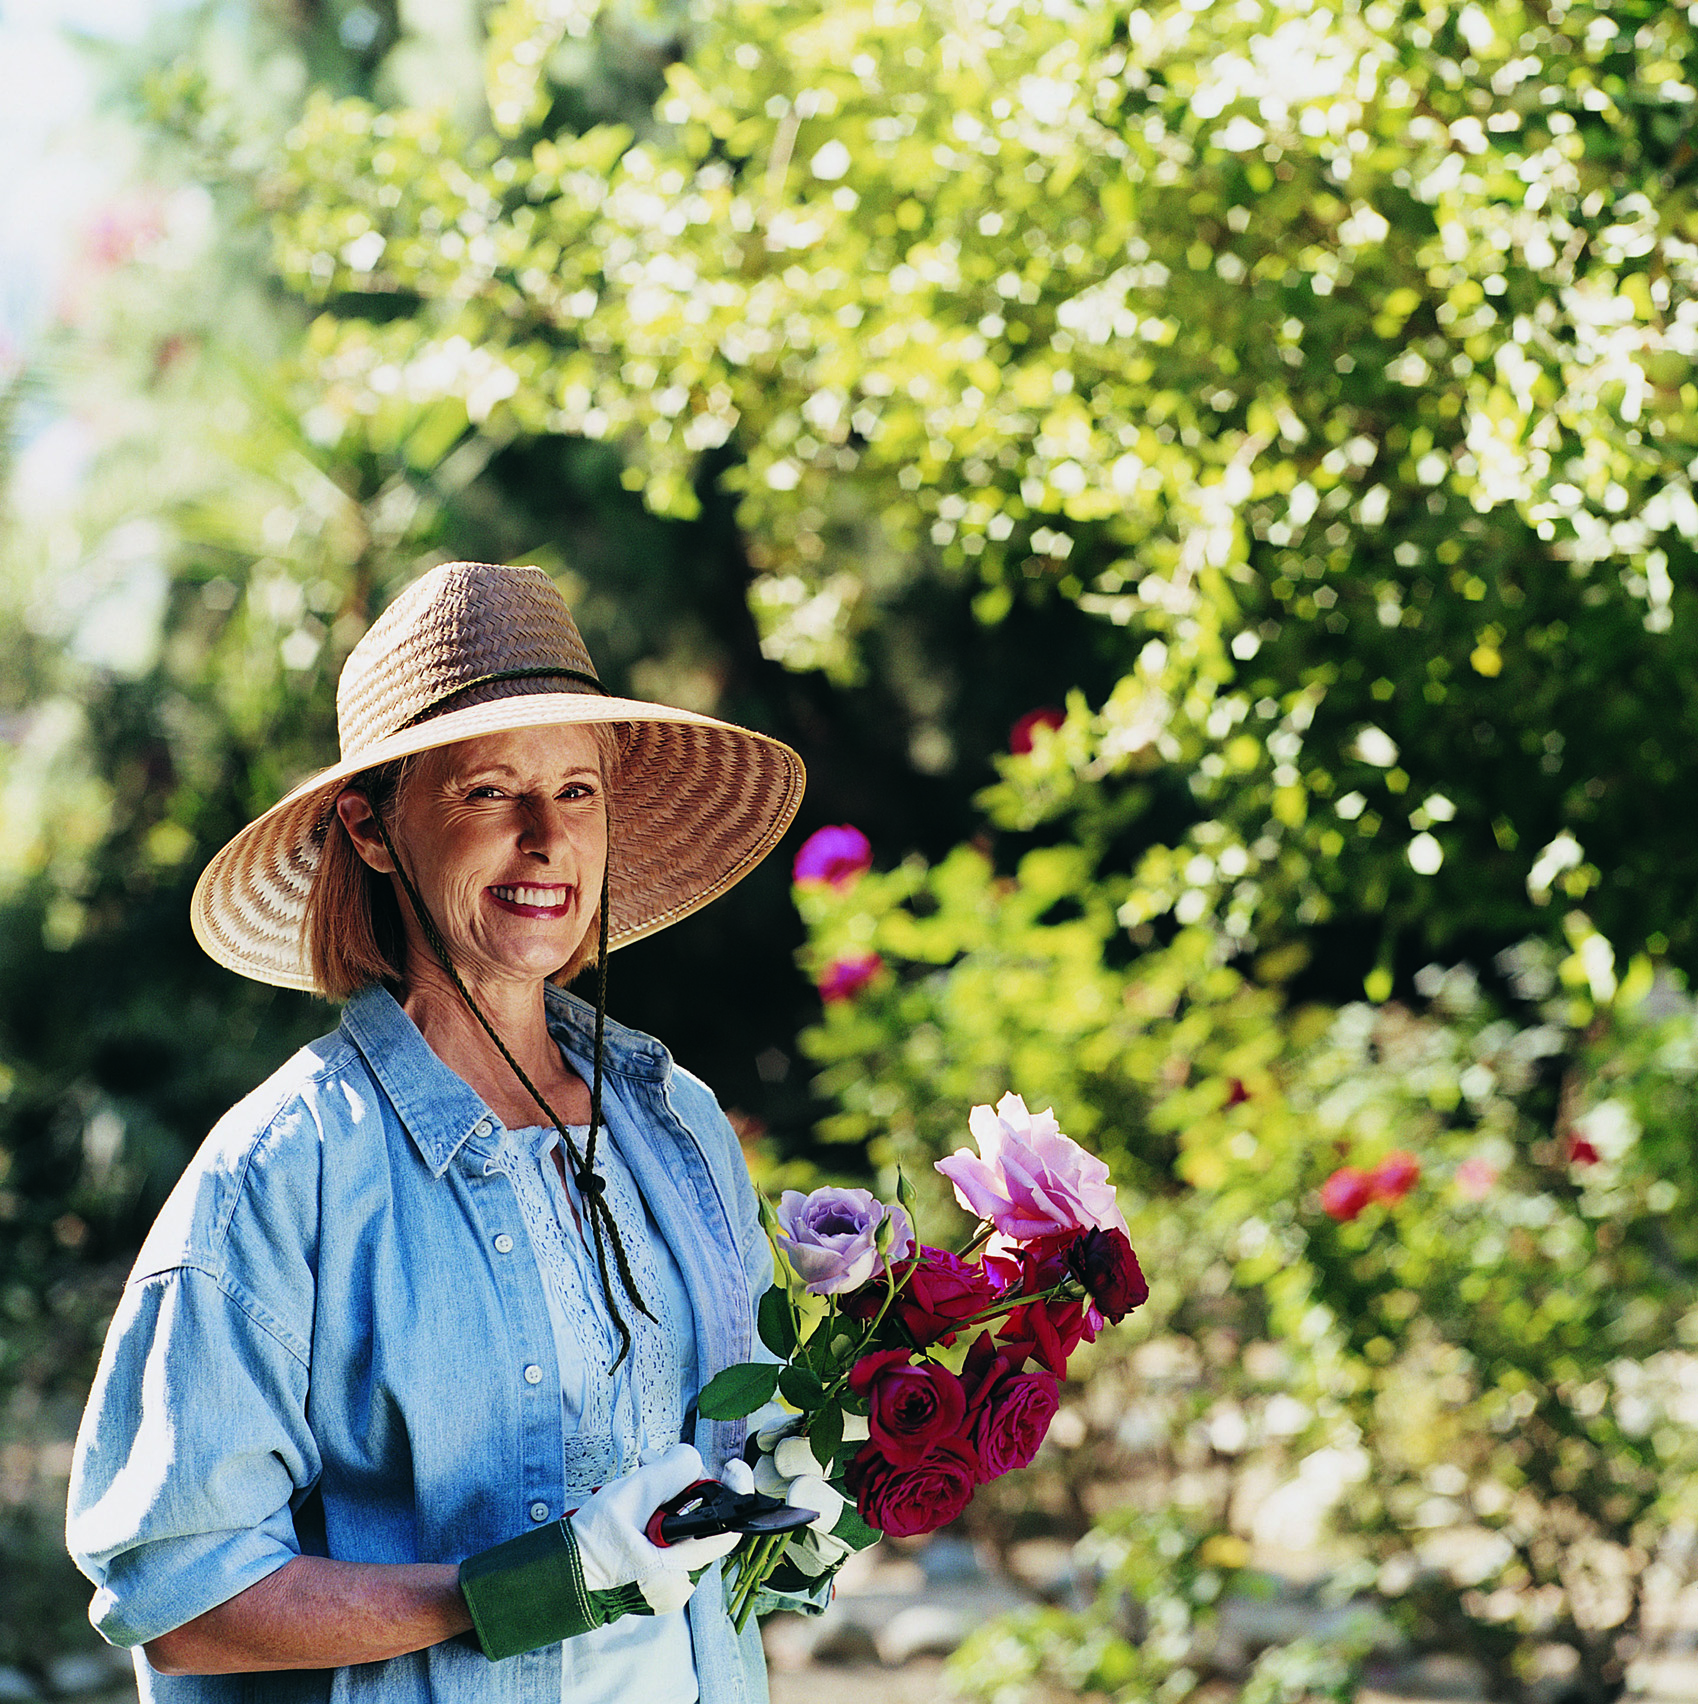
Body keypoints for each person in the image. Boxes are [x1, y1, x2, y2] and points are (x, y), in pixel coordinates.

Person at [66, 560, 825, 1703]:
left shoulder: (680, 1123)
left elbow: (735, 1463)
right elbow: (183, 1602)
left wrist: (807, 1498)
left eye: (577, 791)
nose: (545, 838)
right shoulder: (285, 1173)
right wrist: (531, 1583)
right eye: (487, 792)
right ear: (372, 831)